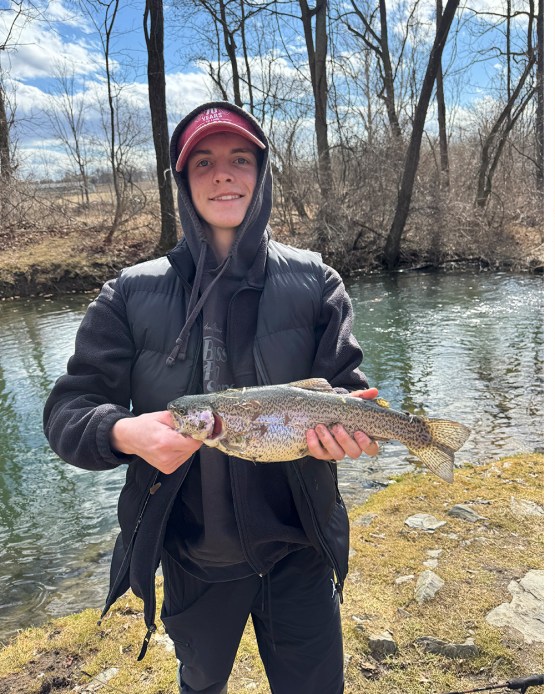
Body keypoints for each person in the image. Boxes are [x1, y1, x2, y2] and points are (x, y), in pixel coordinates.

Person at [43, 101, 376, 693]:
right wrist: (126, 434)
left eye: (239, 158)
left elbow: (346, 392)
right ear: (182, 180)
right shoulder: (128, 294)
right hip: (192, 557)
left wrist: (344, 436)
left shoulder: (317, 282)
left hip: (300, 549)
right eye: (204, 162)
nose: (224, 173)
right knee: (201, 685)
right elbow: (67, 411)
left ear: (262, 173)